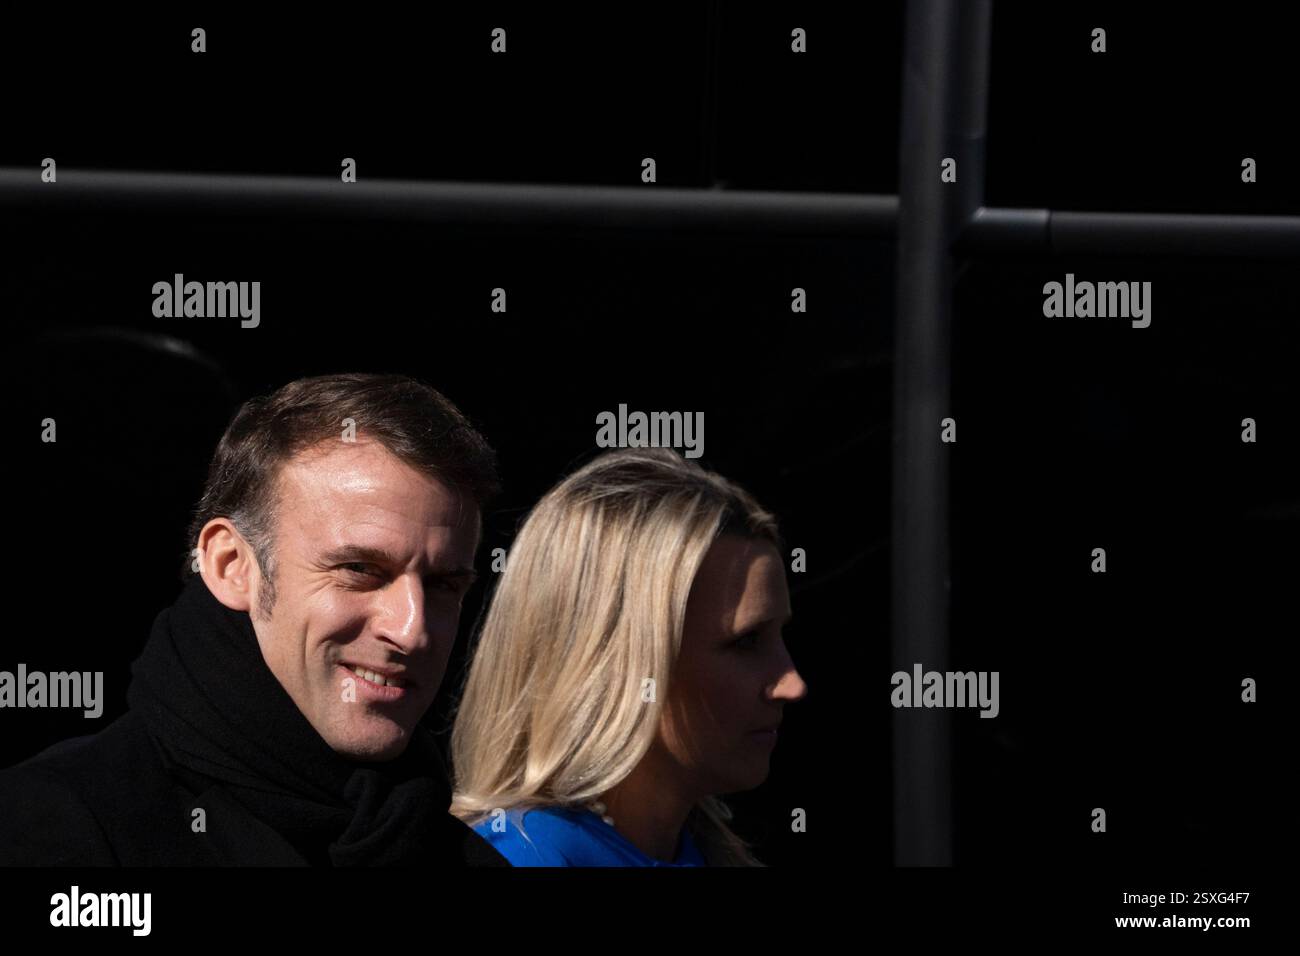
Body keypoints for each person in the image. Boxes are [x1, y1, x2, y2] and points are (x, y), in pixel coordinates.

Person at [0, 372, 508, 866]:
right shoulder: (58, 826)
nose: (411, 630)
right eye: (359, 570)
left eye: (444, 585)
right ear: (230, 566)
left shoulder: (462, 854)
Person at [451, 448, 808, 866]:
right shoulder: (523, 856)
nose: (793, 683)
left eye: (779, 637)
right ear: (618, 657)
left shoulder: (700, 851)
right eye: (746, 641)